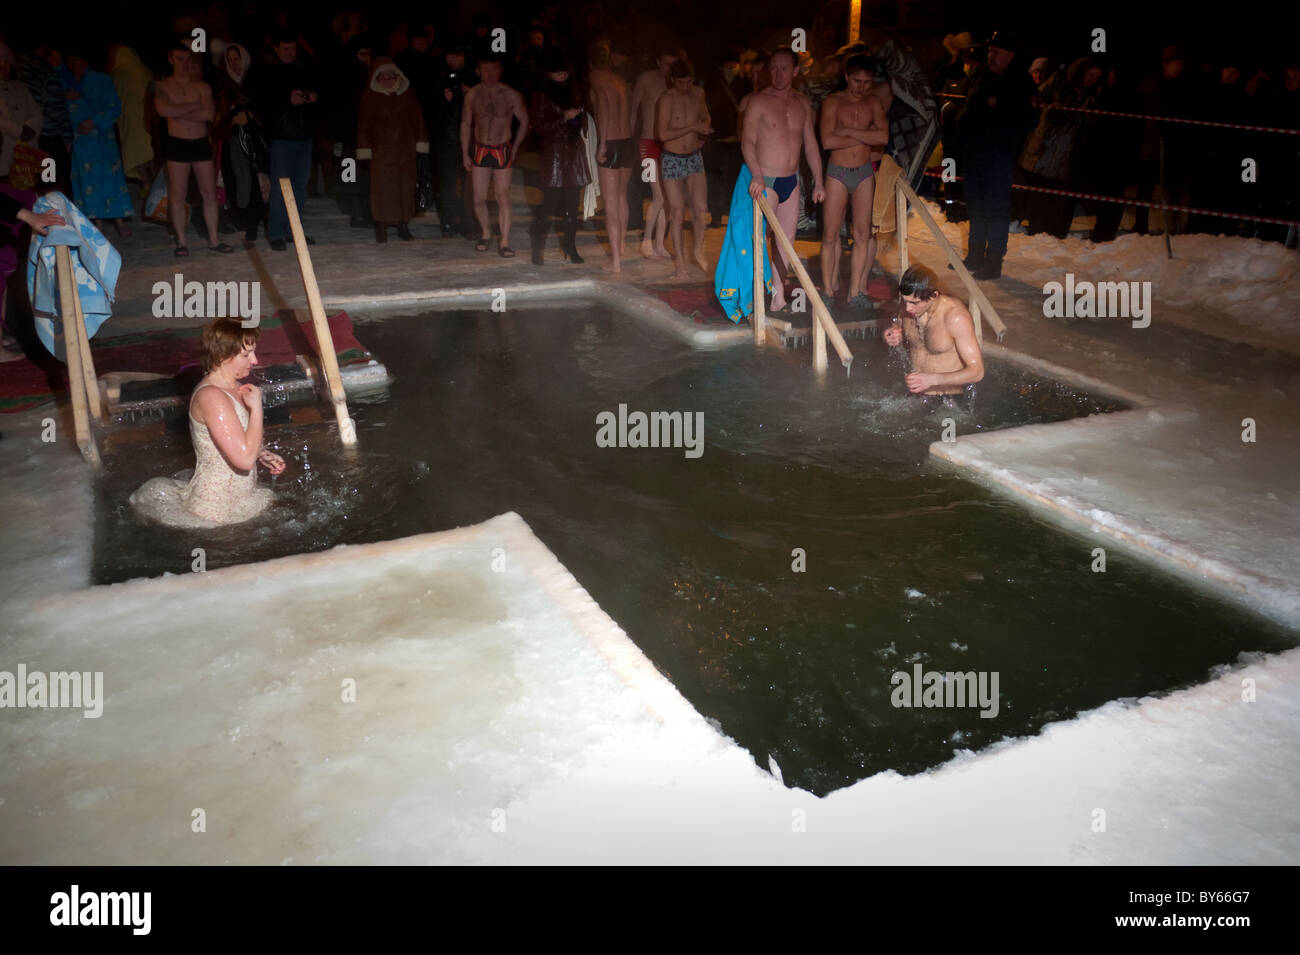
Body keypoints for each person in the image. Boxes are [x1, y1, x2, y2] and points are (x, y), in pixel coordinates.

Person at [129, 319, 285, 528]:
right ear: (222, 356)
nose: (255, 360)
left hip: (243, 500)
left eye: (254, 352)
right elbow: (245, 461)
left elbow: (244, 441)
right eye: (246, 354)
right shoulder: (212, 397)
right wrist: (257, 409)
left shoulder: (236, 387)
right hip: (214, 512)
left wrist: (262, 453)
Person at [741, 46, 825, 312]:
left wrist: (819, 181)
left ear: (796, 71)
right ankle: (755, 290)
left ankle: (778, 294)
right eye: (774, 68)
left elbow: (811, 146)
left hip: (791, 179)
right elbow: (747, 142)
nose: (778, 74)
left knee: (786, 239)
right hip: (766, 178)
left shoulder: (802, 103)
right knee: (761, 237)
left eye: (784, 68)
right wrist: (756, 173)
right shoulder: (758, 101)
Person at [954, 31, 1036, 279]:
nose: (991, 55)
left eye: (997, 51)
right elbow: (970, 108)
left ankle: (993, 261)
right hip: (975, 152)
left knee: (996, 208)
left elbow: (1028, 121)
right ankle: (975, 254)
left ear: (1011, 55)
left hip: (999, 155)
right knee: (976, 205)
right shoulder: (982, 76)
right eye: (990, 51)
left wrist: (999, 133)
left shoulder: (1021, 83)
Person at [818, 54, 889, 307]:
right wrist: (865, 136)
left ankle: (855, 292)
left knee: (862, 234)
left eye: (867, 82)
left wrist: (847, 131)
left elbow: (883, 137)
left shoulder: (874, 103)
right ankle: (828, 291)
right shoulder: (833, 102)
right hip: (837, 172)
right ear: (847, 77)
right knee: (830, 234)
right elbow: (828, 141)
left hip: (863, 173)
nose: (862, 87)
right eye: (857, 80)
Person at [156, 41, 233, 256]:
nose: (184, 64)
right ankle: (181, 242)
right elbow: (162, 110)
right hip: (177, 144)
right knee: (178, 194)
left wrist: (176, 111)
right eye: (179, 59)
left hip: (200, 143)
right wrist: (192, 107)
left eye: (187, 59)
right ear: (171, 60)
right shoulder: (163, 86)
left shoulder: (202, 86)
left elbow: (208, 115)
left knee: (208, 192)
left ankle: (214, 239)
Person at [882, 264, 984, 409]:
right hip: (917, 394)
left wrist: (933, 379)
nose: (907, 308)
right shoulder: (910, 306)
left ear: (933, 296)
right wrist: (891, 333)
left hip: (948, 400)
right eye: (905, 301)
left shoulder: (955, 318)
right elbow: (896, 325)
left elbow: (977, 372)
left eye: (914, 303)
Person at [58, 46, 134, 238]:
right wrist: (67, 137)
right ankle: (97, 223)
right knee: (87, 180)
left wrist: (93, 121)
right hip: (81, 142)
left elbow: (114, 107)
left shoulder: (102, 80)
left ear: (86, 61)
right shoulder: (64, 82)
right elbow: (60, 112)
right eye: (71, 61)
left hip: (102, 139)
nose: (74, 65)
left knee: (111, 177)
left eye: (77, 60)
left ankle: (119, 220)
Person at [256, 27, 319, 252]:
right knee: (280, 188)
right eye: (285, 48)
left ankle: (294, 230)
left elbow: (320, 94)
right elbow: (261, 105)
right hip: (281, 139)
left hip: (304, 137)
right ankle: (275, 232)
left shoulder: (304, 68)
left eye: (292, 48)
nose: (289, 52)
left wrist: (313, 97)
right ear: (276, 48)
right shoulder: (266, 72)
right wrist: (286, 100)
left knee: (300, 187)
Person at [461, 52, 528, 256]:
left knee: (503, 196)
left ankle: (505, 241)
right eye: (485, 70)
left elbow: (525, 122)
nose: (490, 74)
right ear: (478, 71)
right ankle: (486, 233)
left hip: (502, 149)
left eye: (494, 69)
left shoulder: (511, 95)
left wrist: (515, 147)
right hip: (480, 149)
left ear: (500, 70)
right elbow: (465, 124)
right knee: (478, 198)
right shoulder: (472, 94)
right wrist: (465, 153)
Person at [357, 57, 428, 243]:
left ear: (398, 77)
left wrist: (421, 144)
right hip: (381, 153)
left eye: (391, 76)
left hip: (406, 152)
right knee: (381, 190)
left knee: (405, 189)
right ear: (377, 79)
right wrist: (365, 151)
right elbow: (363, 126)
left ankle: (403, 225)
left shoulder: (407, 95)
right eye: (383, 77)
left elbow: (418, 119)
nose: (388, 80)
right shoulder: (370, 97)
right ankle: (381, 226)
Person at [528, 51, 590, 264]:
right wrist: (564, 117)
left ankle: (570, 247)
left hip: (573, 151)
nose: (562, 77)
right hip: (553, 152)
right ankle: (538, 249)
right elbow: (539, 127)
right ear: (548, 74)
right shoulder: (541, 94)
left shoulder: (575, 91)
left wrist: (580, 118)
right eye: (558, 73)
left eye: (564, 73)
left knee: (573, 205)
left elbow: (584, 120)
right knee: (549, 204)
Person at [655, 58, 712, 276]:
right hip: (672, 158)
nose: (685, 87)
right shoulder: (666, 99)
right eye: (681, 83)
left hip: (694, 157)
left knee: (701, 208)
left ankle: (698, 251)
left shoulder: (699, 93)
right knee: (677, 211)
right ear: (672, 80)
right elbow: (662, 134)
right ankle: (679, 261)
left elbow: (706, 119)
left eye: (689, 82)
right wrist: (691, 127)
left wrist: (703, 128)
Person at [213, 41, 270, 242]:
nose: (235, 64)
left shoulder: (257, 80)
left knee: (260, 180)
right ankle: (246, 220)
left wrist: (250, 114)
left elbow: (268, 107)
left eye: (237, 59)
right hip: (234, 142)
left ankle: (259, 218)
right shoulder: (223, 85)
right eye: (231, 60)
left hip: (257, 141)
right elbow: (219, 117)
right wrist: (229, 114)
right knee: (239, 181)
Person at [588, 38, 634, 272]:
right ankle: (622, 245)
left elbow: (603, 110)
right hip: (627, 141)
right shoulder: (620, 80)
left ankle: (615, 261)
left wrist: (602, 144)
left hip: (613, 142)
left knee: (611, 202)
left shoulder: (598, 79)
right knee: (622, 195)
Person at [630, 50, 675, 259]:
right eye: (665, 64)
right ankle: (646, 242)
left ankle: (659, 244)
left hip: (668, 146)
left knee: (666, 198)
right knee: (657, 195)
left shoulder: (676, 83)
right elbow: (633, 110)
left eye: (672, 65)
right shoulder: (646, 79)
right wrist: (628, 140)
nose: (668, 69)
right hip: (647, 143)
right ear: (658, 61)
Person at [432, 40, 471, 237]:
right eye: (450, 56)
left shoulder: (474, 74)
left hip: (469, 138)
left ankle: (467, 222)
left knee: (468, 183)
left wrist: (469, 93)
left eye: (457, 55)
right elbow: (430, 109)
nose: (453, 60)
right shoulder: (438, 74)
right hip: (446, 138)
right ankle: (448, 222)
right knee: (447, 182)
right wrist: (443, 100)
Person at [0, 43, 43, 184]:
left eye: (7, 61)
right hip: (6, 159)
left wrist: (31, 128)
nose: (3, 65)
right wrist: (20, 132)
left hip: (28, 158)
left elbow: (36, 111)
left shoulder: (21, 87)